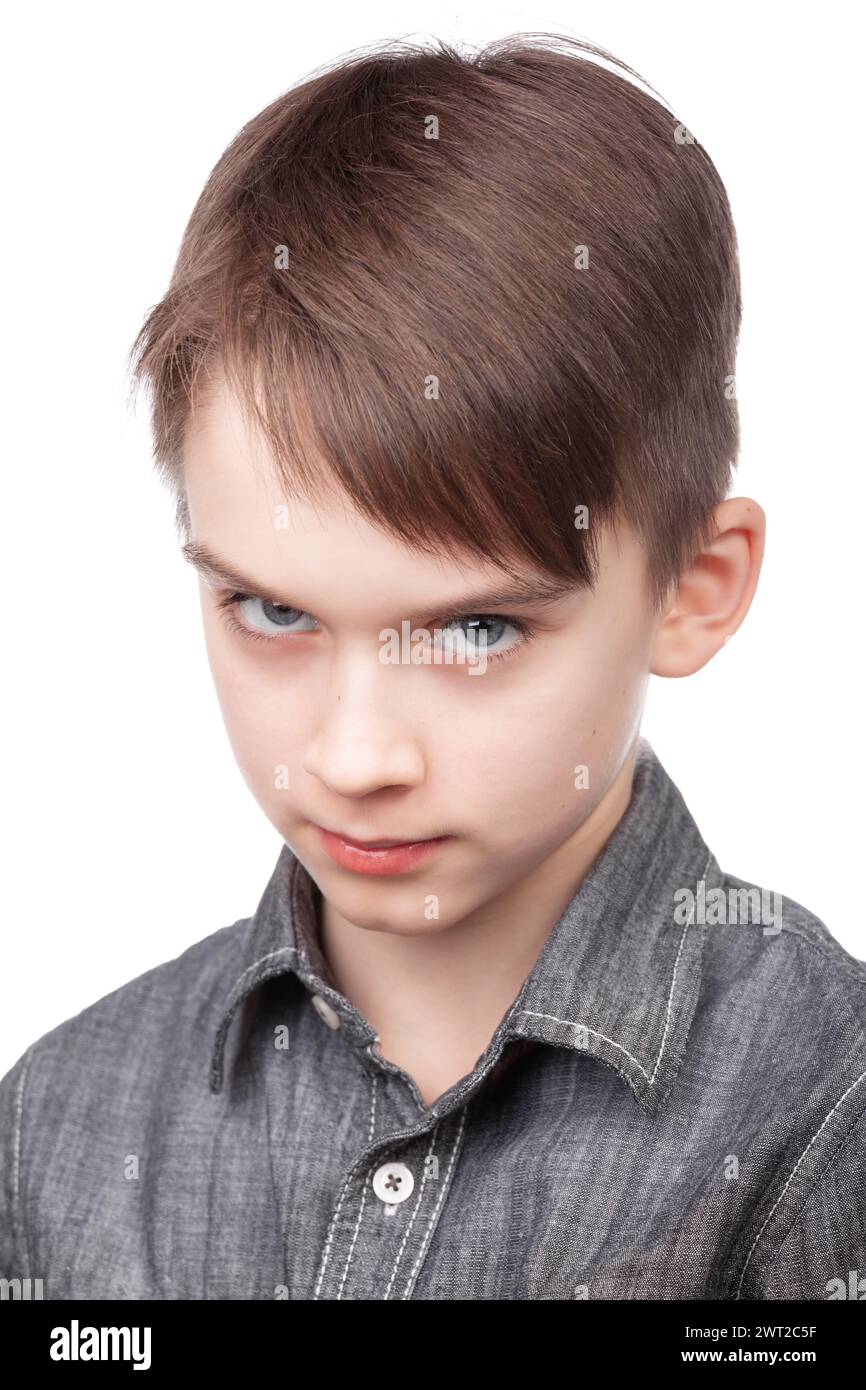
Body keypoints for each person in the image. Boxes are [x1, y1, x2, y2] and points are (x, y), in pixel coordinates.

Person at [2, 33, 864, 1301]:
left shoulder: (823, 1104)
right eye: (272, 611)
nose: (352, 757)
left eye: (474, 631)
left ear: (695, 585)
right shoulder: (57, 1125)